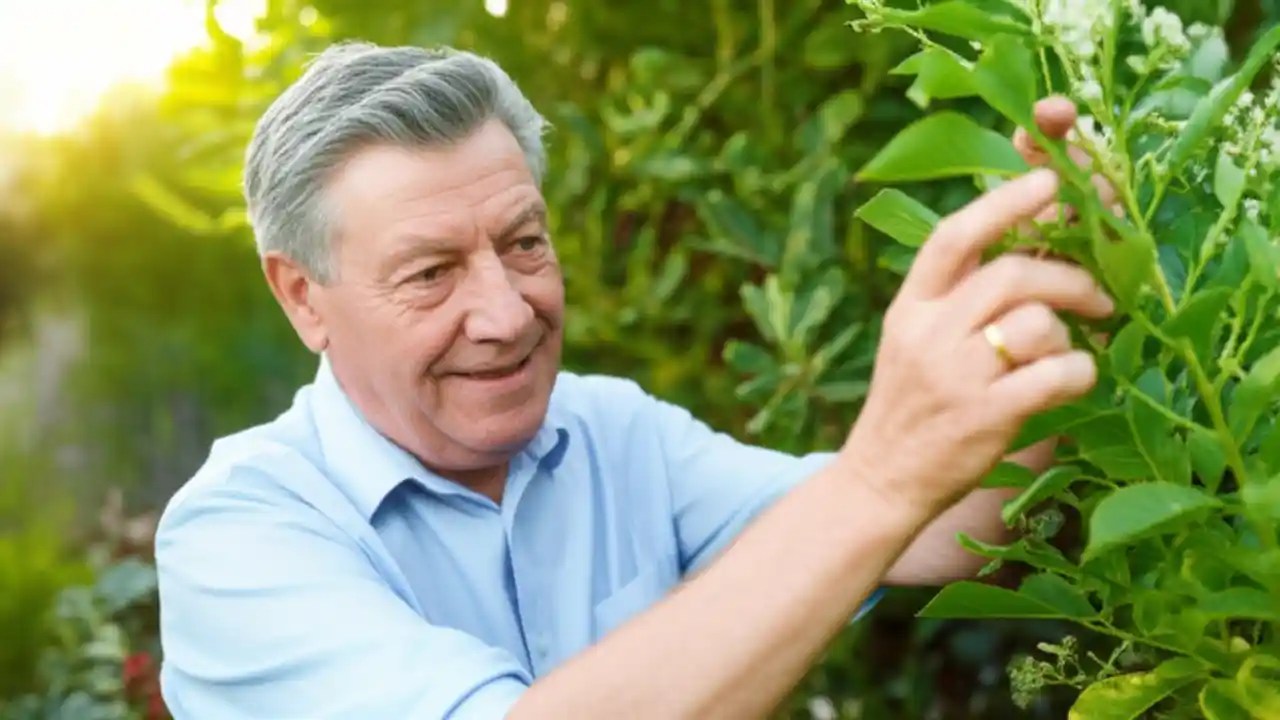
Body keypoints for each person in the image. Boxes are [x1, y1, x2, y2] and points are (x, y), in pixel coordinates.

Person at [154, 42, 1115, 718]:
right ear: (303, 299)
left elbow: (945, 533)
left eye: (524, 242)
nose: (506, 312)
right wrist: (882, 476)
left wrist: (1050, 300)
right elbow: (878, 503)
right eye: (429, 274)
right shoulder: (239, 537)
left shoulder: (612, 432)